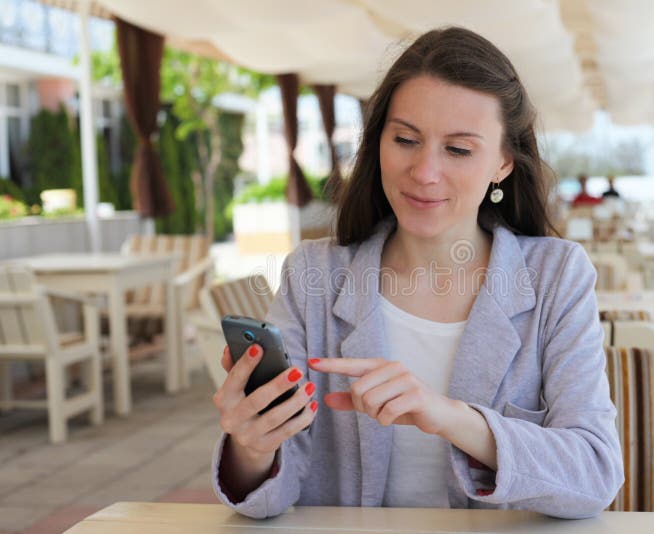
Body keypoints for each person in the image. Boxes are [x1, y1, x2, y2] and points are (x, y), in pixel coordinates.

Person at [211, 27, 623, 520]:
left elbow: (595, 474)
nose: (424, 172)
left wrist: (451, 418)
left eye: (458, 150)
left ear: (503, 163)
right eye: (405, 139)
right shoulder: (313, 274)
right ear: (378, 142)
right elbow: (274, 489)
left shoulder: (557, 276)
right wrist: (253, 448)